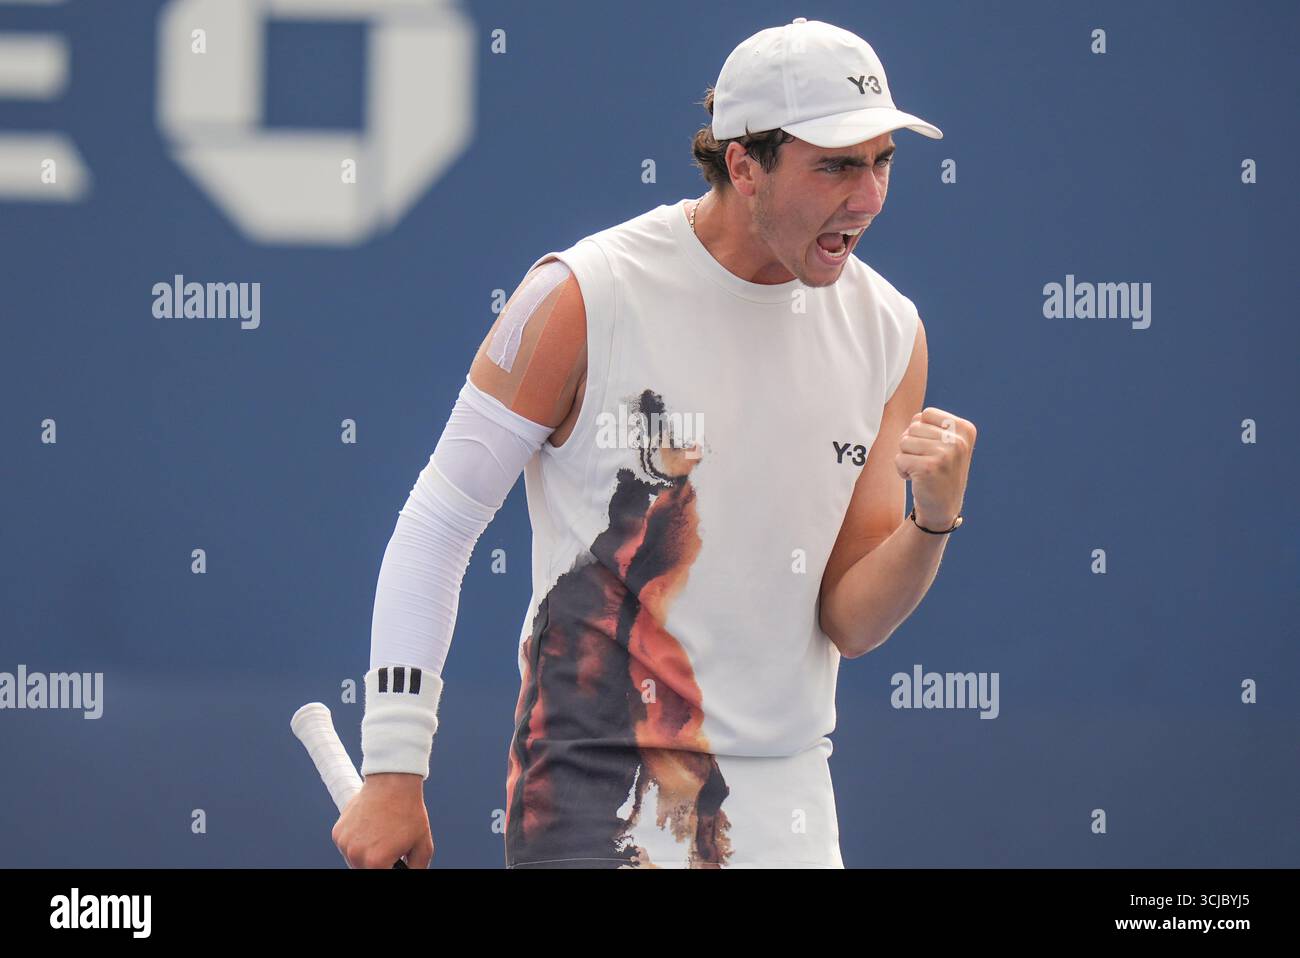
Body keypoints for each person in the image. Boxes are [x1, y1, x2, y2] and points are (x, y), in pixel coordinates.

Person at [332, 16, 977, 869]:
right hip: (596, 794)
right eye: (835, 165)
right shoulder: (578, 296)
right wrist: (392, 763)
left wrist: (930, 525)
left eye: (881, 161)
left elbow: (848, 621)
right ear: (743, 163)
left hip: (791, 805)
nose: (867, 197)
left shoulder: (891, 331)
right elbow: (437, 527)